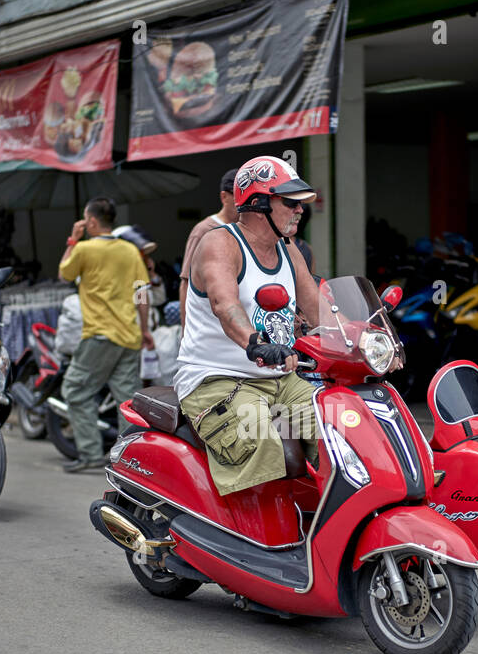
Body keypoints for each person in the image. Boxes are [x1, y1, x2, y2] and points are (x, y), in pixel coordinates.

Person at [174, 155, 322, 496]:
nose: (300, 210)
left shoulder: (288, 249)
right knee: (260, 440)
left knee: (341, 426)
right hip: (216, 378)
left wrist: (366, 342)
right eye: (290, 202)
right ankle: (254, 539)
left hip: (280, 379)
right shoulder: (219, 243)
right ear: (258, 204)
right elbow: (226, 306)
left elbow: (319, 312)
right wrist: (254, 342)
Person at [57, 197, 155, 473]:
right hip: (129, 335)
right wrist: (145, 330)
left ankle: (89, 453)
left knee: (75, 390)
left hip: (100, 335)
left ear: (91, 221)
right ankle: (127, 458)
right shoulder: (129, 251)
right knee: (126, 399)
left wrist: (72, 240)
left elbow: (65, 274)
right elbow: (142, 293)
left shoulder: (85, 249)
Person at [178, 167, 240, 329]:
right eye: (238, 197)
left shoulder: (247, 230)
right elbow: (186, 282)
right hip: (209, 324)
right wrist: (186, 329)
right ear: (224, 197)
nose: (244, 203)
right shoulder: (204, 230)